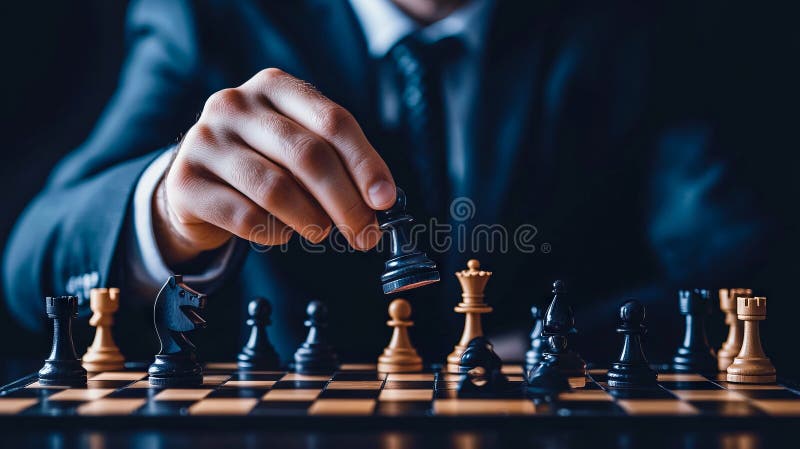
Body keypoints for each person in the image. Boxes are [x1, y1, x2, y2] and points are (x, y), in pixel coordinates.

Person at [2, 0, 765, 362]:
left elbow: (739, 265)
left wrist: (549, 346)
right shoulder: (208, 18)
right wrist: (166, 206)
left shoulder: (629, 25)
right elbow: (33, 257)